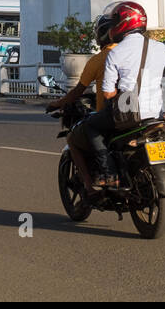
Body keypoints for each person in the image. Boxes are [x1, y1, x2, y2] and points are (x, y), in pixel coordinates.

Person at [83, 1, 165, 188]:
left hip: (128, 114)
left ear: (122, 24)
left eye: (115, 21)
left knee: (91, 127)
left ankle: (109, 173)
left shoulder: (116, 53)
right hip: (155, 114)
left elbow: (107, 93)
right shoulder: (160, 47)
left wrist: (119, 95)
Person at [47, 13, 116, 196]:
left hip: (112, 114)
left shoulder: (100, 59)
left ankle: (90, 185)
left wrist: (58, 103)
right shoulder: (134, 55)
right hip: (144, 112)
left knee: (75, 138)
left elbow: (78, 90)